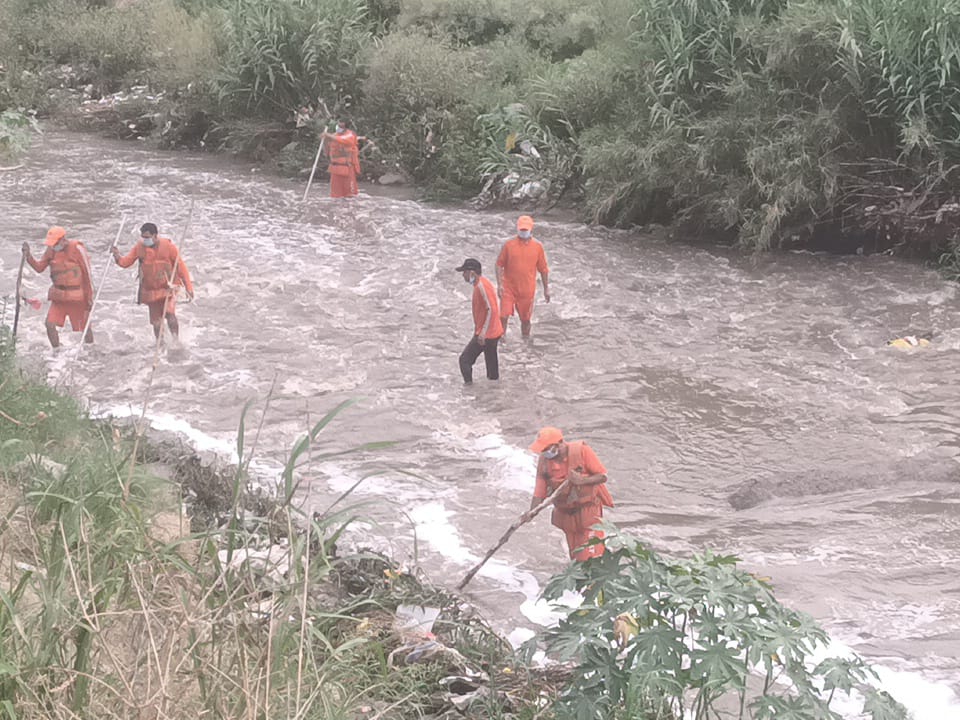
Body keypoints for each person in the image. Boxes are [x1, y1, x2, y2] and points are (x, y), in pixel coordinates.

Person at [526, 426, 613, 561]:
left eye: (547, 449)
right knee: (576, 559)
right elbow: (540, 491)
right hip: (566, 515)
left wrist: (582, 481)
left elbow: (602, 476)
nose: (545, 453)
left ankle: (595, 580)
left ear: (560, 444)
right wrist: (531, 513)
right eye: (542, 450)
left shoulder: (582, 451)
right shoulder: (544, 462)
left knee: (590, 558)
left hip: (588, 511)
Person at [112, 223, 194, 340]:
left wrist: (189, 288)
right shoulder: (139, 248)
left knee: (170, 313)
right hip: (150, 290)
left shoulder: (169, 247)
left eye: (147, 237)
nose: (145, 240)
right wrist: (116, 255)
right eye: (143, 237)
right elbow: (125, 263)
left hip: (168, 288)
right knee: (156, 322)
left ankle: (176, 341)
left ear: (155, 236)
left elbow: (181, 268)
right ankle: (160, 345)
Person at [21, 226, 94, 348]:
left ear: (63, 239)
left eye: (55, 243)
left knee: (85, 327)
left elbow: (87, 274)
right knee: (49, 324)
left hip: (77, 296)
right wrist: (28, 256)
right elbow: (39, 268)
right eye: (51, 243)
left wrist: (90, 297)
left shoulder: (77, 248)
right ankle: (56, 351)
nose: (53, 246)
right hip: (59, 297)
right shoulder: (51, 251)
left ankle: (91, 350)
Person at [496, 215, 549, 338]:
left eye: (525, 230)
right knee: (503, 316)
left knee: (525, 319)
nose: (523, 232)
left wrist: (546, 289)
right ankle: (501, 342)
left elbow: (543, 269)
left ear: (531, 230)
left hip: (527, 290)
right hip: (508, 287)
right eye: (521, 229)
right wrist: (499, 285)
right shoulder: (508, 245)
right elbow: (499, 265)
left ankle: (525, 343)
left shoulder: (537, 247)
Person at [455, 258, 503, 384]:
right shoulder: (484, 283)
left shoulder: (481, 286)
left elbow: (491, 309)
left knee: (464, 360)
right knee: (492, 370)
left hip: (487, 334)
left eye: (464, 272)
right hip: (494, 332)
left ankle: (468, 389)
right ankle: (493, 394)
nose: (463, 275)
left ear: (472, 273)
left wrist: (482, 332)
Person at [321, 119, 366, 198]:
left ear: (346, 127)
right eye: (338, 125)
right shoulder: (334, 136)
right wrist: (325, 141)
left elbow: (346, 140)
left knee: (350, 196)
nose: (338, 127)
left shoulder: (350, 135)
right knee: (335, 196)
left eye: (341, 126)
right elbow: (326, 153)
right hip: (335, 169)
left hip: (347, 169)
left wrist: (329, 136)